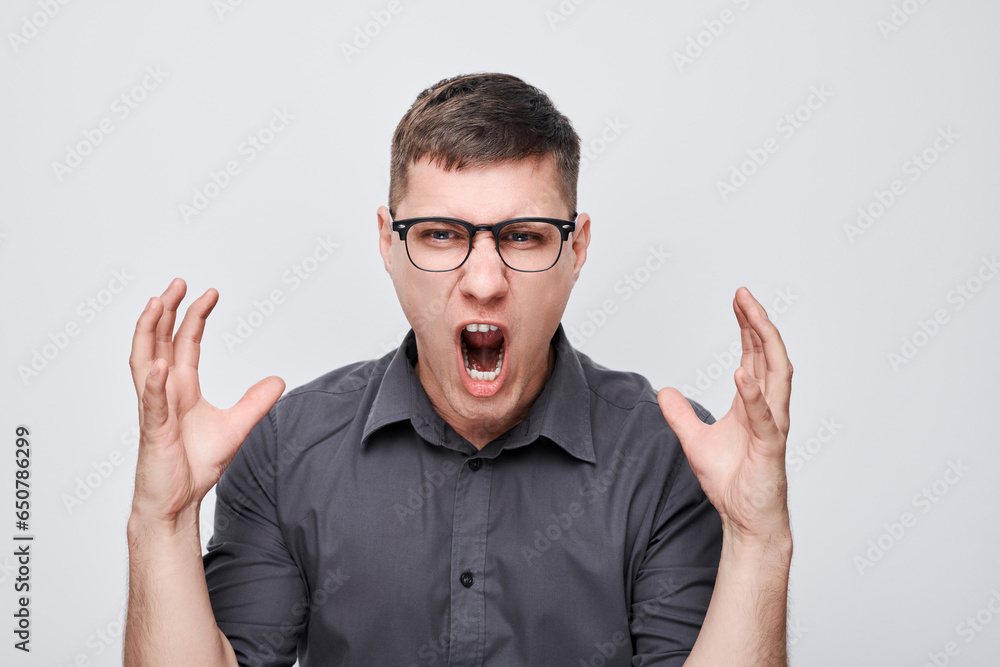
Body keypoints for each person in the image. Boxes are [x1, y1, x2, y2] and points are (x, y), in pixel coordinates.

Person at [124, 73, 793, 666]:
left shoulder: (667, 457)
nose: (484, 282)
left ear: (577, 248)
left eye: (523, 236)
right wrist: (163, 520)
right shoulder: (285, 448)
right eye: (442, 234)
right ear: (389, 243)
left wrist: (757, 541)